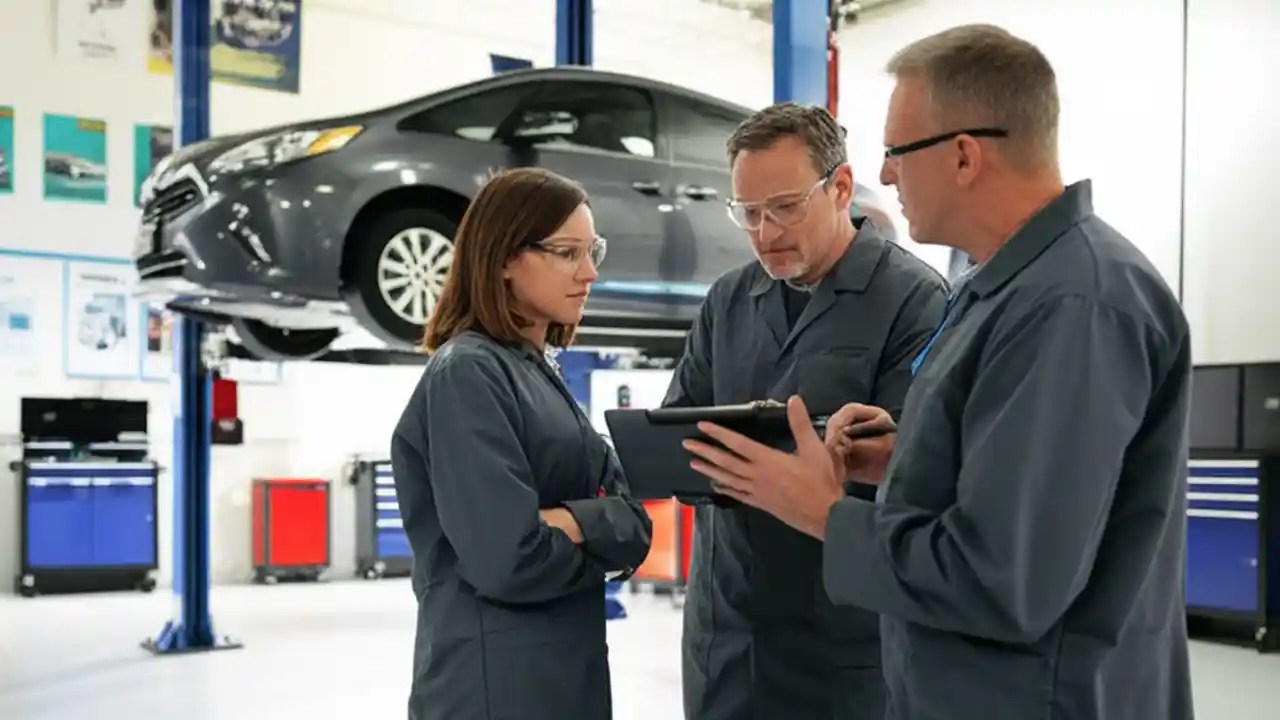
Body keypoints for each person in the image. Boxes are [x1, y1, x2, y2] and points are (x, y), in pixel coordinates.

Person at [681, 24, 1195, 720]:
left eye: (896, 151)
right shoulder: (1004, 292)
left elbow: (1003, 581)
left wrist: (826, 514)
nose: (885, 176)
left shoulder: (1073, 304)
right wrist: (902, 457)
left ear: (962, 156)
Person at [663, 102, 949, 719]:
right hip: (726, 638)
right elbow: (674, 435)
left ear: (840, 187)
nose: (766, 233)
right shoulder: (729, 299)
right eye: (749, 214)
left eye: (785, 208)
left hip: (843, 650)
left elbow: (918, 473)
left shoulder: (914, 299)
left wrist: (804, 463)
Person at [389, 167, 654, 720]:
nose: (590, 273)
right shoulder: (468, 374)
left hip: (558, 674)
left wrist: (570, 521)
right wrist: (594, 527)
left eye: (593, 251)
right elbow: (509, 559)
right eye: (567, 253)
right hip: (494, 687)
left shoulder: (536, 372)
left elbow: (634, 524)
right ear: (506, 257)